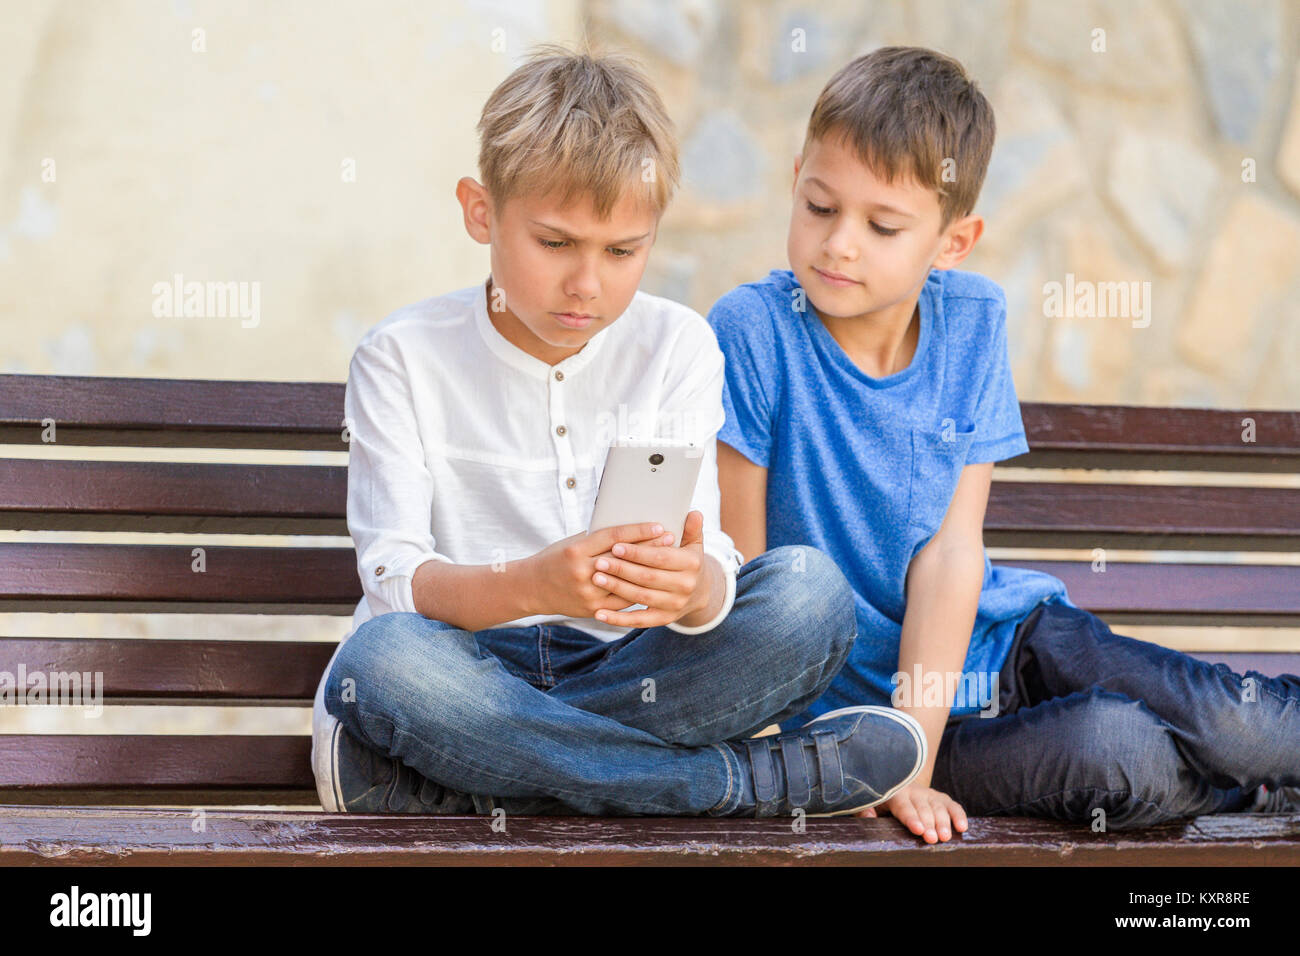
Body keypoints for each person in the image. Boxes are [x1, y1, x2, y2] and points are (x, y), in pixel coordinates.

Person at [309, 44, 926, 819]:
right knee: (383, 662)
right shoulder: (402, 357)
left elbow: (711, 573)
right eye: (556, 243)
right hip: (463, 668)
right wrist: (531, 585)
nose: (587, 285)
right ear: (480, 210)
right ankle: (739, 786)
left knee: (810, 598)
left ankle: (481, 782)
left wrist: (696, 585)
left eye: (623, 251)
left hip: (630, 670)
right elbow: (393, 580)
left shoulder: (677, 346)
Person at [708, 45, 1300, 843]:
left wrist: (910, 757)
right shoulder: (751, 332)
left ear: (953, 242)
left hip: (1009, 640)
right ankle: (1259, 800)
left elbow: (952, 555)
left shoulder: (971, 320)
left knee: (1241, 727)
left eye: (882, 225)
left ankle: (1257, 776)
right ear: (794, 181)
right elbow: (758, 589)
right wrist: (898, 761)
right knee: (1120, 750)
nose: (839, 243)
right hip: (869, 728)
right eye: (819, 206)